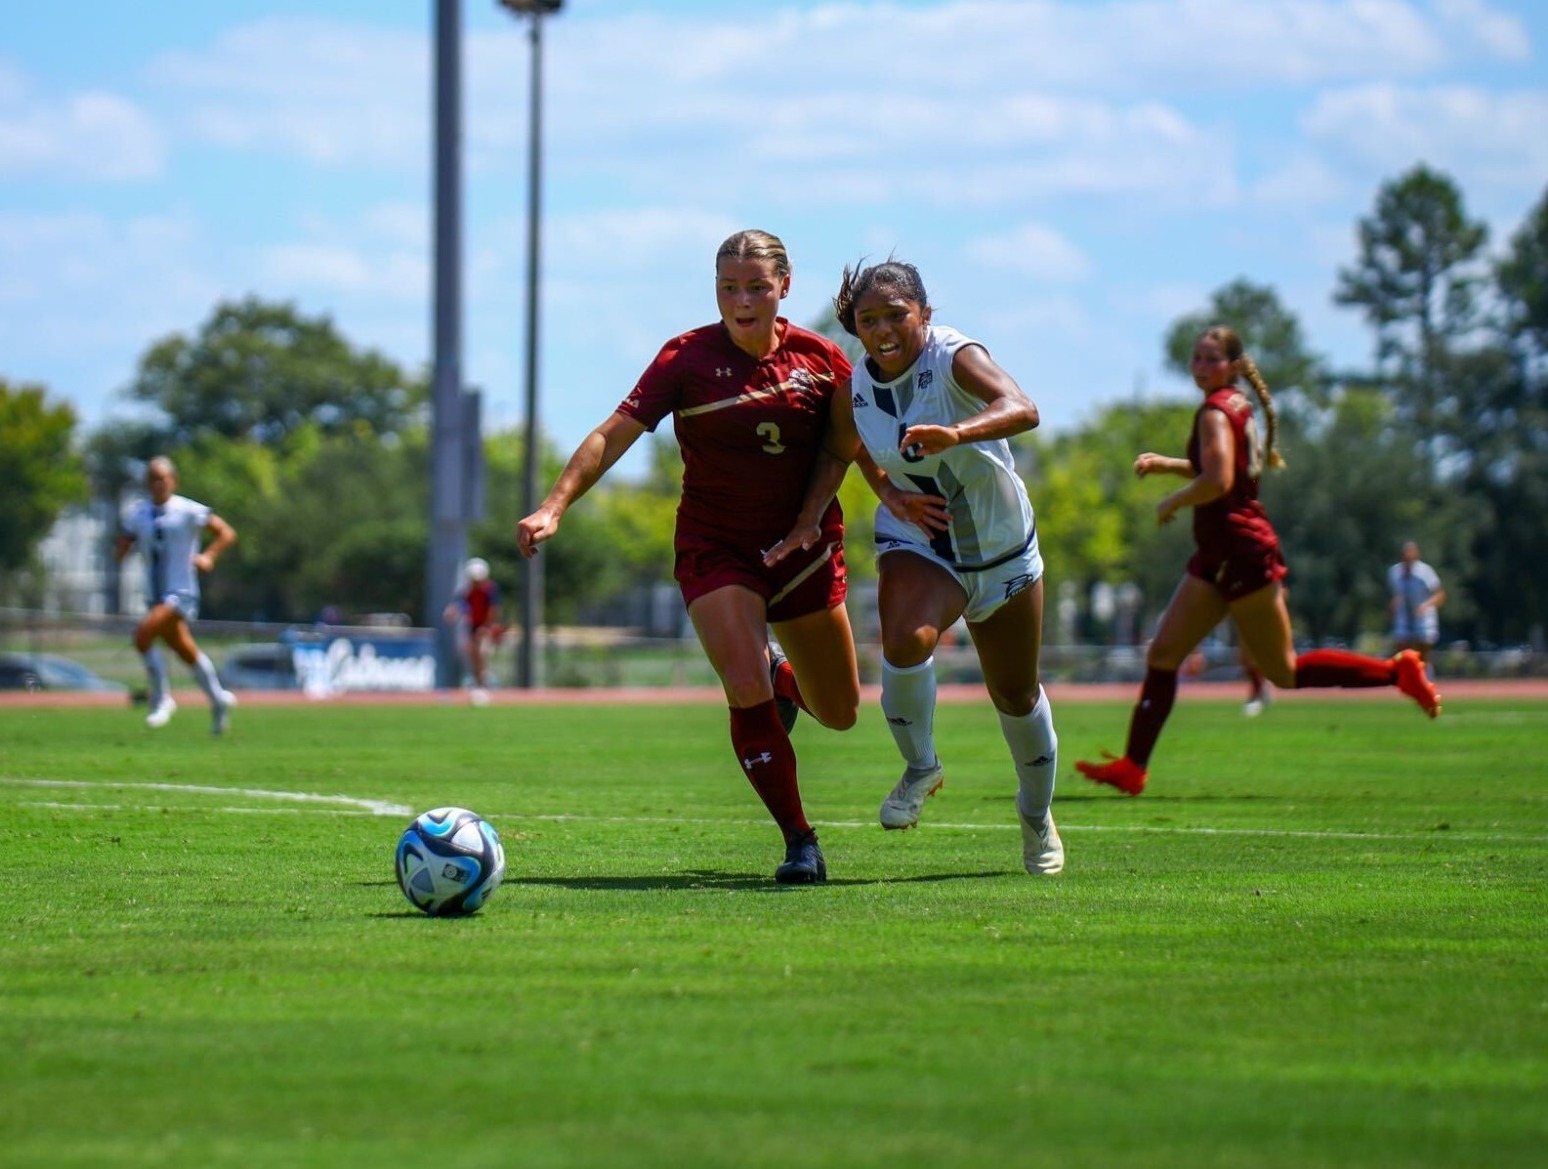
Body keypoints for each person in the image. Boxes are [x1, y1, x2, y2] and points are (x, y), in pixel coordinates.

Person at [516, 229, 861, 884]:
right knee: (741, 683)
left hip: (806, 548)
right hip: (716, 545)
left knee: (840, 712)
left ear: (784, 287)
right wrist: (554, 505)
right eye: (728, 287)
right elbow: (610, 433)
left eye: (756, 286)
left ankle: (785, 680)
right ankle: (800, 841)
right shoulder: (685, 358)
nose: (742, 299)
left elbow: (848, 446)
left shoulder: (823, 361)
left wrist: (890, 501)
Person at [766, 258, 1063, 876]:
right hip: (921, 541)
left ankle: (1036, 818)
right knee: (905, 640)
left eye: (896, 315)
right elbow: (836, 451)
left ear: (924, 316)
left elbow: (1023, 407)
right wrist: (821, 517)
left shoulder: (954, 357)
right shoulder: (855, 390)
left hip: (1002, 546)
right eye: (868, 320)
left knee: (1015, 696)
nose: (883, 330)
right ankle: (921, 766)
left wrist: (956, 434)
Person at [1075, 325, 1441, 797]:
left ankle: (1398, 671)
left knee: (1283, 671)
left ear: (1232, 365)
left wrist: (1174, 501)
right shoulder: (1237, 405)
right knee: (1164, 654)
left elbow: (1219, 480)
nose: (1201, 366)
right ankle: (1133, 766)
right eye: (1196, 358)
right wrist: (1170, 465)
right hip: (1222, 551)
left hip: (1238, 550)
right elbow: (1220, 467)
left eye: (1211, 359)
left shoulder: (1213, 411)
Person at [114, 456, 239, 734]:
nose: (158, 484)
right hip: (154, 595)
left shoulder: (187, 510)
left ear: (173, 480)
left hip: (181, 592)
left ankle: (162, 699)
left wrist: (208, 556)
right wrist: (121, 548)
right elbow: (123, 543)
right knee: (184, 649)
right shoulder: (139, 514)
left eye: (163, 478)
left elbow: (226, 533)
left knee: (143, 635)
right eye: (153, 479)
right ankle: (218, 700)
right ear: (147, 483)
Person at [443, 557, 503, 705]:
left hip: (485, 627)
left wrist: (486, 627)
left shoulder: (489, 589)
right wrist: (452, 611)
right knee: (474, 657)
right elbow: (459, 603)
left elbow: (494, 609)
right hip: (473, 626)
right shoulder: (468, 590)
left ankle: (483, 686)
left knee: (482, 655)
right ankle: (478, 685)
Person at [1389, 541, 1445, 670]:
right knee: (1402, 651)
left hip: (1423, 618)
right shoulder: (1394, 572)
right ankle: (1406, 679)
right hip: (1404, 617)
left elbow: (1440, 594)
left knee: (1422, 654)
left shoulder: (1425, 572)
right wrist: (1394, 604)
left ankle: (1425, 679)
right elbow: (1397, 594)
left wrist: (1425, 606)